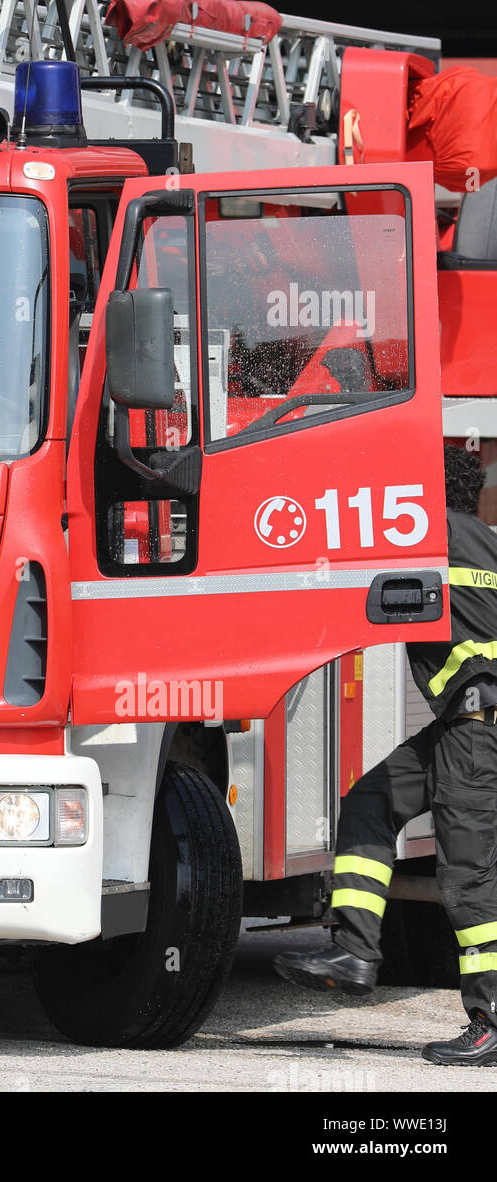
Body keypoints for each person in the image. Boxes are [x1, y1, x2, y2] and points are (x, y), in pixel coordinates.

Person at [274, 445, 497, 1067]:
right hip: (467, 725)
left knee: (468, 877)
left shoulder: (427, 540)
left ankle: (490, 1017)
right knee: (371, 801)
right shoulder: (482, 540)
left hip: (476, 732)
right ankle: (355, 950)